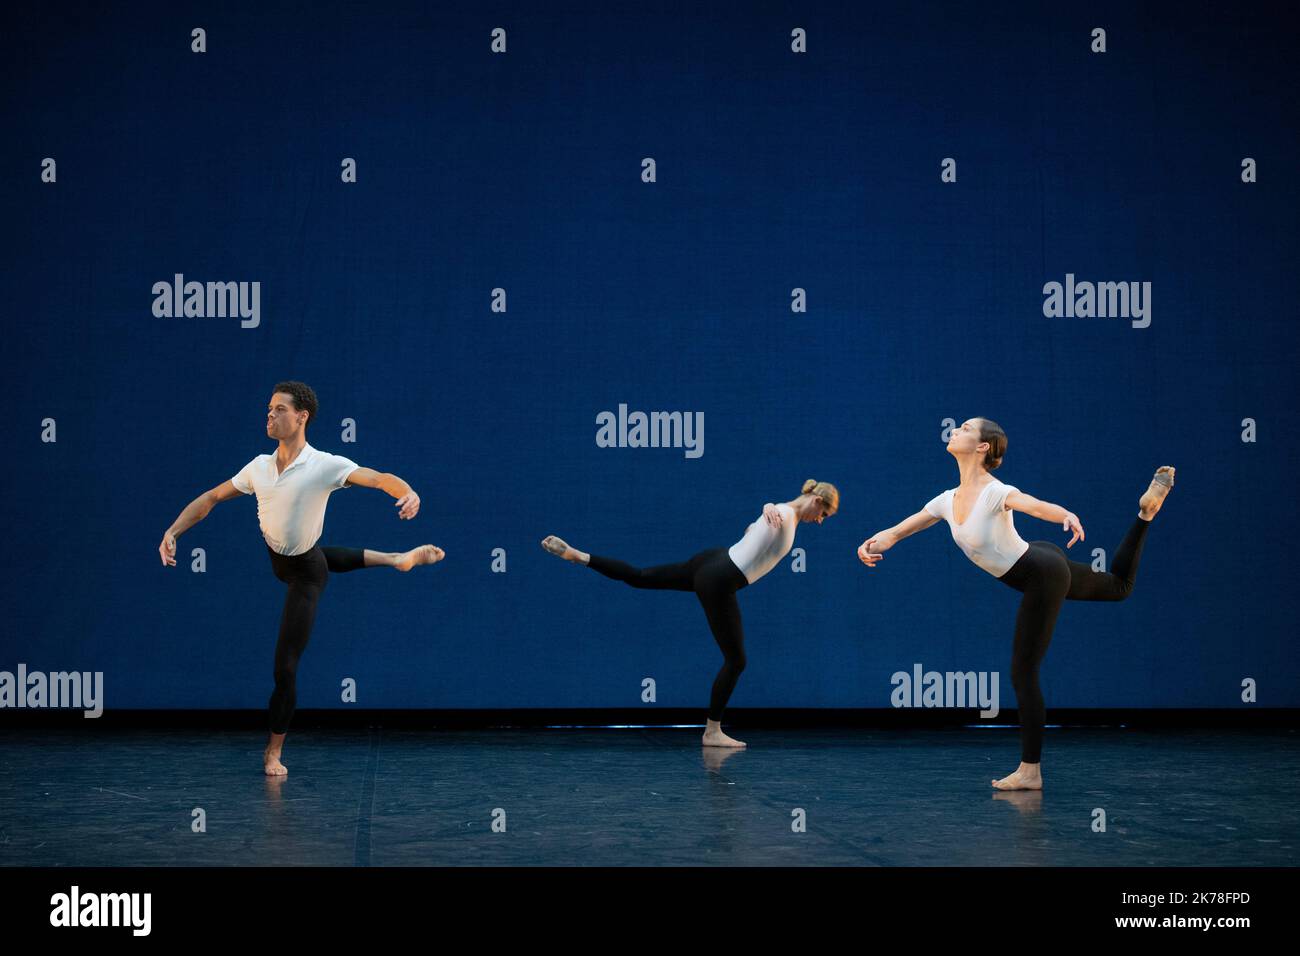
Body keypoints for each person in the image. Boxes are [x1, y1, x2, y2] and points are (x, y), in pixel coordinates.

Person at [857, 417, 1173, 790]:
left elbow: (1032, 505)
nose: (954, 430)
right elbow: (899, 531)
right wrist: (872, 544)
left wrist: (1065, 515)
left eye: (964, 428)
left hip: (1041, 574)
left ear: (982, 447)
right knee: (1119, 587)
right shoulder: (946, 500)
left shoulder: (995, 492)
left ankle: (1031, 771)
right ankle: (1146, 514)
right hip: (1038, 556)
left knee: (1023, 672)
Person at [159, 381, 443, 775]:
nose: (270, 415)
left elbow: (378, 478)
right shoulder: (257, 467)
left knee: (285, 667)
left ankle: (273, 752)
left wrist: (407, 490)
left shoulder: (323, 465)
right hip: (287, 559)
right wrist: (174, 531)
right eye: (269, 409)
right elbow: (210, 499)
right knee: (315, 556)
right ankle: (396, 559)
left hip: (305, 576)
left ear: (301, 416)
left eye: (279, 409)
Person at [542, 480, 839, 748]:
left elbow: (753, 529)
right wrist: (770, 507)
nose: (821, 521)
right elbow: (773, 517)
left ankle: (581, 557)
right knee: (737, 661)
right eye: (824, 514)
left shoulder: (783, 511)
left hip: (712, 559)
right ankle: (712, 731)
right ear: (817, 501)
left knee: (641, 576)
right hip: (720, 579)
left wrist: (768, 505)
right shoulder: (787, 517)